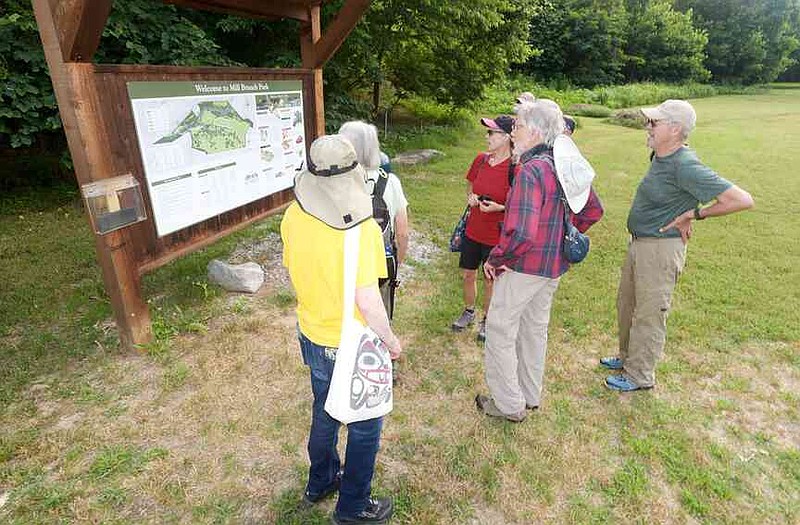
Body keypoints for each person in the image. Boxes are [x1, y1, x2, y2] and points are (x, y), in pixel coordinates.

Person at [281, 134, 402, 524]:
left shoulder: (293, 215)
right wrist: (391, 340)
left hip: (312, 334)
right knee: (365, 429)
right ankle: (352, 508)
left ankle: (319, 482)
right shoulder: (362, 231)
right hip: (351, 342)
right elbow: (368, 301)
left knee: (325, 411)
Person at [601, 100, 754, 392]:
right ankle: (626, 358)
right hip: (640, 244)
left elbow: (741, 199)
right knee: (627, 306)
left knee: (649, 313)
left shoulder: (685, 164)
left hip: (659, 250)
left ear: (675, 129)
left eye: (654, 123)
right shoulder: (660, 157)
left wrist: (694, 213)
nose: (648, 126)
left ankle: (640, 375)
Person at [476, 100, 604, 422]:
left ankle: (509, 405)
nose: (513, 133)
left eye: (517, 126)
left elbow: (521, 233)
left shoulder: (531, 170)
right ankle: (529, 395)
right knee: (534, 330)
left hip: (524, 267)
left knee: (500, 329)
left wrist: (496, 259)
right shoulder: (562, 164)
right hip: (553, 268)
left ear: (533, 131)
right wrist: (563, 234)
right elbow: (592, 210)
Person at [451, 115, 515, 342]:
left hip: (496, 235)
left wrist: (501, 207)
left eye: (492, 133)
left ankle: (488, 320)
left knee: (490, 279)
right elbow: (470, 184)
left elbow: (521, 206)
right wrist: (471, 197)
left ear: (507, 137)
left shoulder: (515, 168)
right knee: (468, 274)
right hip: (473, 230)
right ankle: (469, 311)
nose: (487, 137)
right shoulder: (480, 160)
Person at [339, 121, 410, 320]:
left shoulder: (335, 181)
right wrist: (398, 264)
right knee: (379, 314)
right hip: (380, 261)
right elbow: (402, 232)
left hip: (344, 258)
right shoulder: (390, 182)